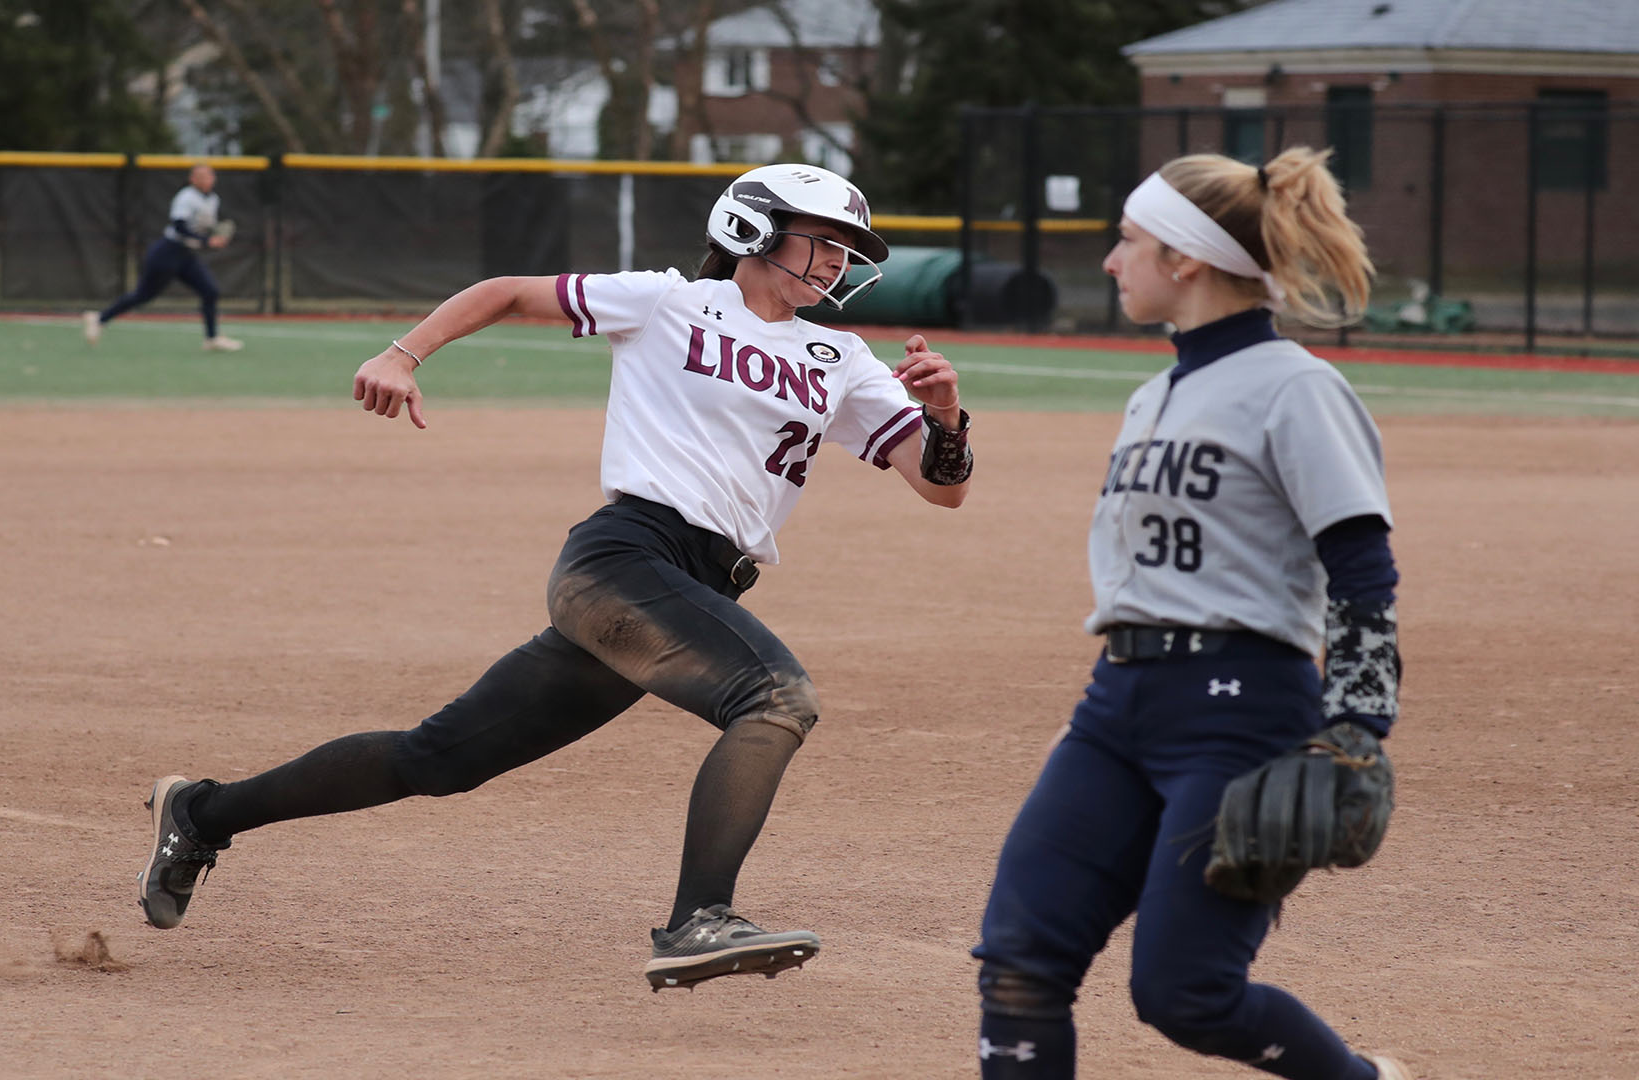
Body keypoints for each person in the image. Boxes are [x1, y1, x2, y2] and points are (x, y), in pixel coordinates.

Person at [136, 163, 975, 990]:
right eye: (821, 239)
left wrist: (946, 419)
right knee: (775, 699)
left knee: (440, 759)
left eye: (847, 248)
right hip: (625, 558)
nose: (837, 260)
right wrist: (404, 354)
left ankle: (203, 813)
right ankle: (699, 920)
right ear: (751, 228)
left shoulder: (841, 356)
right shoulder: (669, 301)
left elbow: (943, 487)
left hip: (691, 588)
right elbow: (506, 291)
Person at [972, 147, 1413, 1080]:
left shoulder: (1295, 387)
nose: (1110, 260)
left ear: (1186, 260)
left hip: (1241, 711)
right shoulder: (1155, 393)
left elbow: (1362, 566)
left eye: (1128, 240)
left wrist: (1359, 726)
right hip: (1119, 705)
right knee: (1018, 962)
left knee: (1185, 994)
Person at [84, 162, 242, 351]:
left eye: (209, 176)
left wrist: (213, 238)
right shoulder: (186, 197)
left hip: (186, 255)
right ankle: (100, 319)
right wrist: (207, 241)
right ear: (192, 179)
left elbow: (201, 228)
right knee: (143, 295)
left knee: (210, 291)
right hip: (167, 252)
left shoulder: (213, 199)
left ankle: (211, 338)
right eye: (201, 176)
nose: (207, 180)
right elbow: (179, 227)